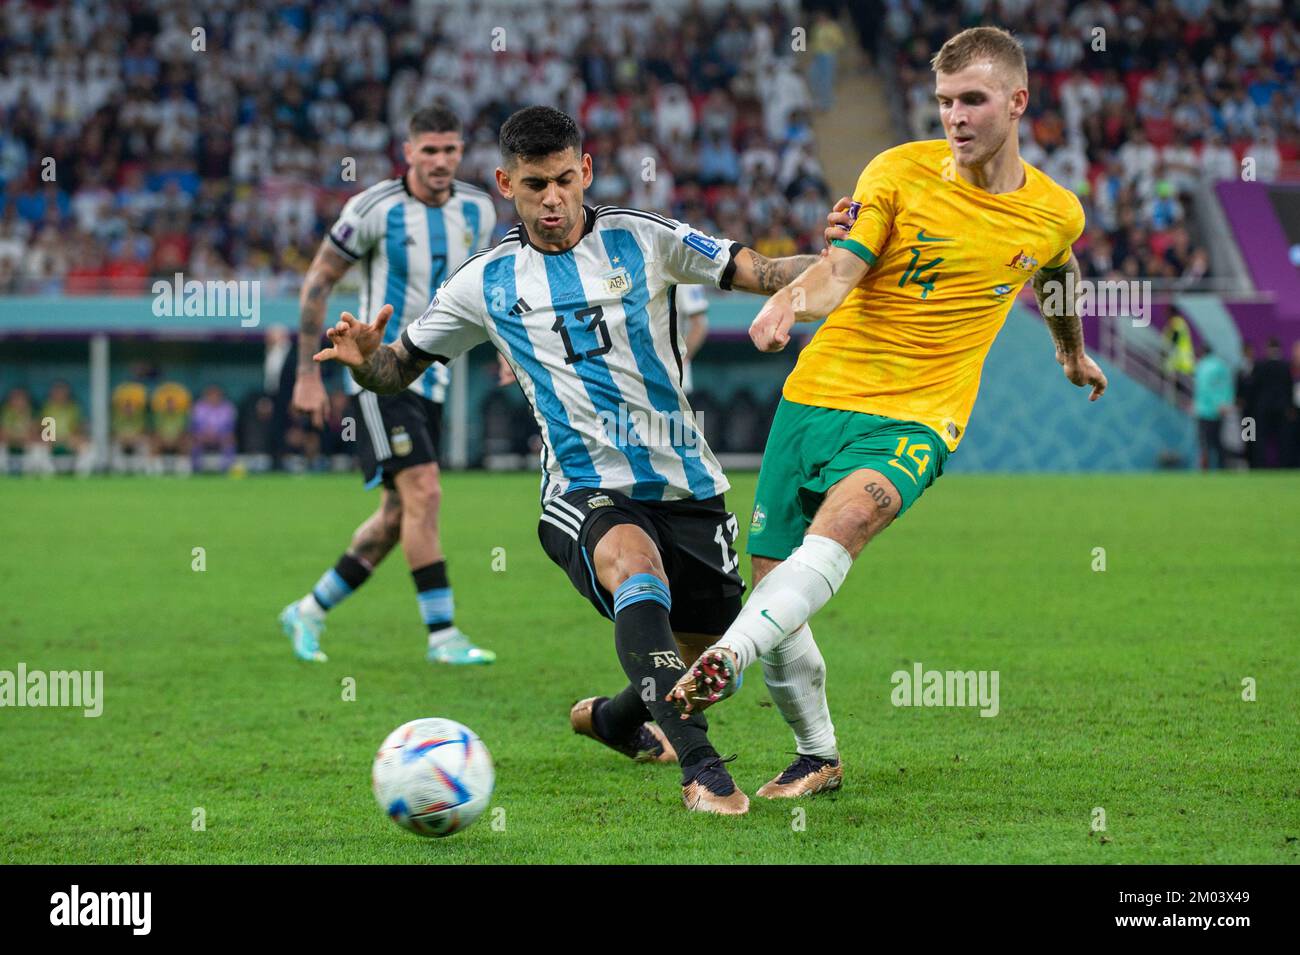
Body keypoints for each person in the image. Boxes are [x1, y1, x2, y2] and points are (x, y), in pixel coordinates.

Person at [314, 105, 825, 814]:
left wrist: (846, 263)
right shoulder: (484, 282)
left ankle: (615, 718)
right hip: (583, 487)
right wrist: (367, 362)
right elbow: (399, 368)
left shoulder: (645, 240)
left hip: (689, 485)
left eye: (562, 180)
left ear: (585, 171)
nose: (551, 200)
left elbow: (766, 270)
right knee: (635, 572)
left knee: (707, 665)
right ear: (503, 184)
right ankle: (702, 771)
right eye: (533, 186)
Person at [666, 27, 1108, 799]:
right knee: (776, 585)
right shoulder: (896, 172)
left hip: (919, 416)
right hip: (816, 396)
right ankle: (818, 755)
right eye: (944, 102)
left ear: (1017, 101)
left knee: (843, 528)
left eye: (972, 100)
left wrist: (1069, 351)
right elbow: (838, 271)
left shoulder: (1053, 211)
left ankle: (726, 657)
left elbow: (1059, 268)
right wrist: (790, 297)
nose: (956, 116)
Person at [280, 105, 498, 665]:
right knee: (425, 492)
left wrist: (509, 353)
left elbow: (489, 289)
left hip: (437, 376)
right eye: (430, 150)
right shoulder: (373, 207)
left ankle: (308, 610)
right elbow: (318, 281)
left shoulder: (478, 209)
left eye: (451, 149)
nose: (441, 161)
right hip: (382, 376)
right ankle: (443, 636)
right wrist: (308, 372)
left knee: (395, 518)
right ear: (408, 152)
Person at [1192, 342, 1233, 470]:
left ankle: (1205, 468)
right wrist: (1225, 403)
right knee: (1218, 442)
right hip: (1220, 410)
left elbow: (1203, 389)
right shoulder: (1222, 365)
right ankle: (1222, 468)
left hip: (1204, 410)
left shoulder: (1202, 366)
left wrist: (1196, 404)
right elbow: (1228, 386)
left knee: (1204, 443)